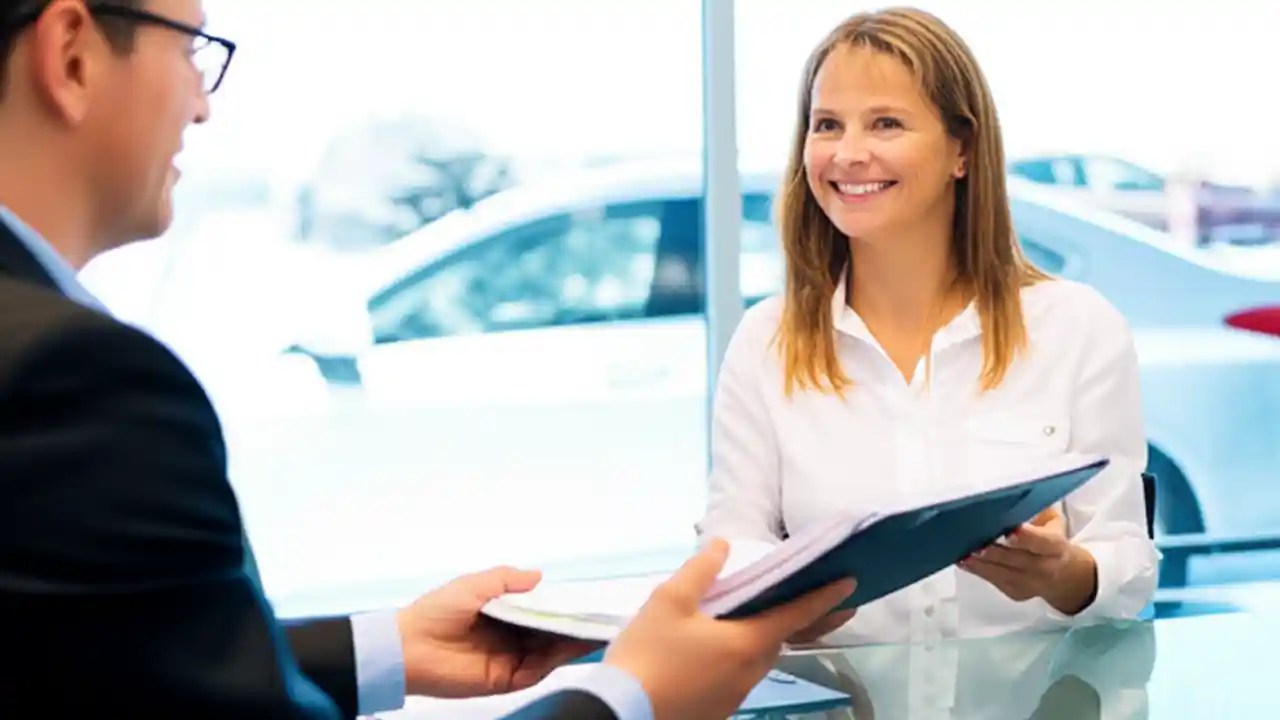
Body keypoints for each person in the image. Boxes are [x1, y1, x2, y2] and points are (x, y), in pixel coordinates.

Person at [0, 1, 855, 717]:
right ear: (72, 54)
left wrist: (388, 646)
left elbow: (97, 657)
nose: (202, 104)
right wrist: (629, 696)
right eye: (192, 51)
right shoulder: (77, 383)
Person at [697, 6, 1158, 646]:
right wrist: (788, 608)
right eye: (827, 124)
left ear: (961, 151)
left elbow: (1129, 569)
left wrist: (1061, 573)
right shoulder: (765, 341)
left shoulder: (1078, 328)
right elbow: (731, 553)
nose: (849, 153)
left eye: (885, 123)